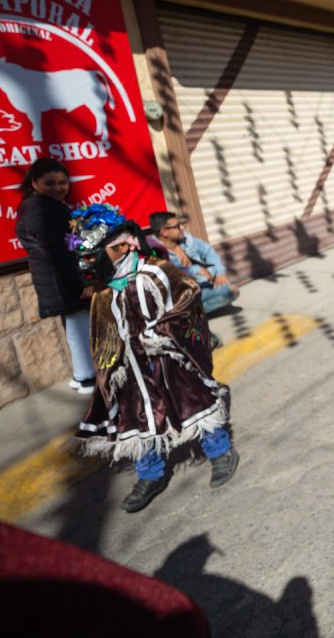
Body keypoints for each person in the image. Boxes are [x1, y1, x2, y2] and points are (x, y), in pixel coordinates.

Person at [69, 207, 238, 513]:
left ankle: (220, 451)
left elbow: (189, 297)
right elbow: (103, 333)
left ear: (124, 245)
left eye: (96, 253)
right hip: (130, 369)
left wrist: (164, 332)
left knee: (195, 403)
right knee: (134, 417)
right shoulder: (103, 290)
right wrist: (112, 366)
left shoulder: (156, 270)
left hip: (171, 360)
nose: (90, 261)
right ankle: (151, 475)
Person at [14, 158, 95, 394]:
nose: (58, 187)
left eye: (62, 182)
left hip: (58, 276)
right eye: (50, 182)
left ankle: (82, 376)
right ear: (34, 183)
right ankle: (86, 377)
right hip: (60, 277)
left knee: (75, 324)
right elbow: (58, 250)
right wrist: (82, 280)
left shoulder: (43, 205)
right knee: (78, 324)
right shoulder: (40, 207)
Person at [147, 212, 237, 314]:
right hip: (180, 297)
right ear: (164, 232)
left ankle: (194, 314)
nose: (182, 228)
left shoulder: (186, 239)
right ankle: (188, 315)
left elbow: (208, 251)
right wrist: (195, 270)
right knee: (229, 292)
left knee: (231, 290)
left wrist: (219, 272)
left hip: (201, 287)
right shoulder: (155, 252)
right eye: (177, 226)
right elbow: (170, 276)